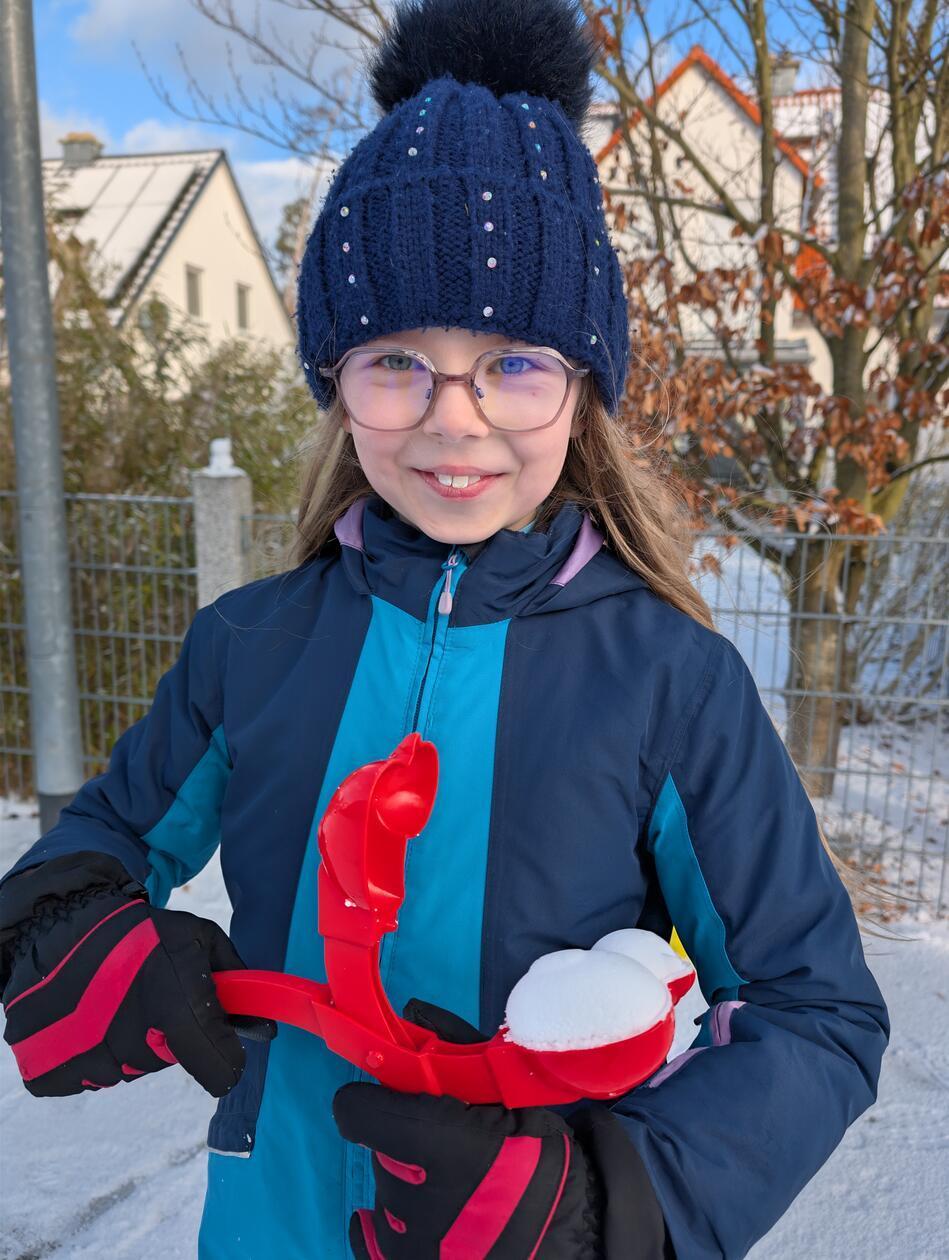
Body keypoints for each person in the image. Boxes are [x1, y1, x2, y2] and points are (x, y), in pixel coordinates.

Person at [0, 1, 888, 1257]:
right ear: (335, 385)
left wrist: (601, 1204)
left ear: (583, 391)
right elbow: (96, 843)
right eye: (394, 360)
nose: (453, 418)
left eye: (515, 361)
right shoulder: (251, 647)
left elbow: (814, 1012)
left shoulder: (671, 683)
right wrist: (70, 930)